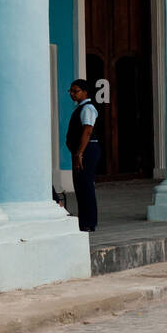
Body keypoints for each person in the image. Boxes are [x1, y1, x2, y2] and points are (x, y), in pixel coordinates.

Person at [67, 78, 100, 232]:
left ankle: (88, 222)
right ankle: (85, 220)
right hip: (81, 151)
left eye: (75, 91)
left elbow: (87, 131)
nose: (72, 94)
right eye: (71, 91)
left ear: (85, 92)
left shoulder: (87, 108)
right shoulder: (80, 108)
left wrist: (80, 153)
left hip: (86, 151)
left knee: (85, 185)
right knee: (80, 185)